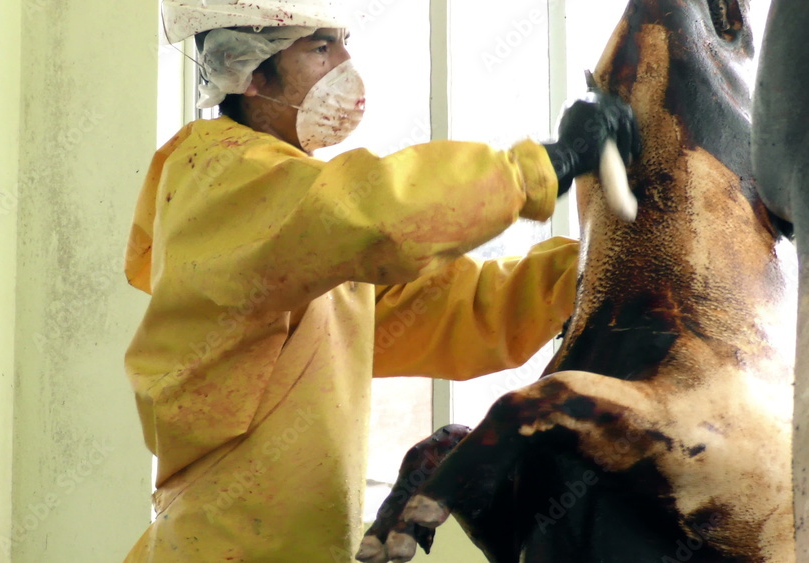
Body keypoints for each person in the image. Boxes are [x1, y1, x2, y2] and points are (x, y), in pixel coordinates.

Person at [122, 1, 641, 561]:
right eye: (320, 47)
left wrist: (589, 269)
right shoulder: (226, 177)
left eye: (343, 41)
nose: (346, 64)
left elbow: (446, 311)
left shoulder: (300, 240)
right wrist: (548, 163)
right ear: (248, 70)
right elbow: (381, 218)